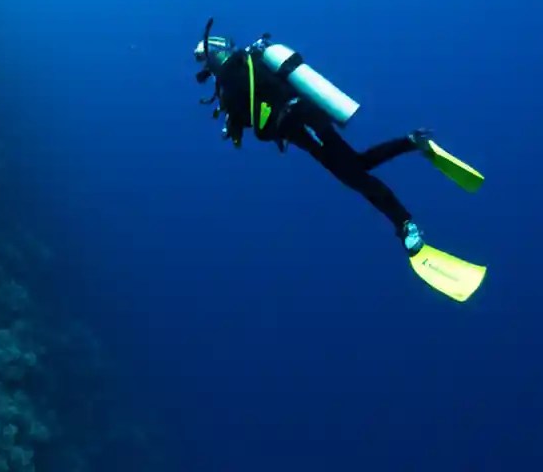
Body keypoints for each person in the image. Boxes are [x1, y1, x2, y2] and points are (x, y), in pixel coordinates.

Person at [191, 18, 489, 302]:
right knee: (357, 166)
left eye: (206, 60)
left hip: (300, 122)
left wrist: (233, 121)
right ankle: (411, 143)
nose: (207, 67)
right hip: (303, 122)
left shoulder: (233, 76)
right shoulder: (245, 65)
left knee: (355, 176)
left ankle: (406, 224)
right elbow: (249, 115)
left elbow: (246, 120)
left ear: (214, 54)